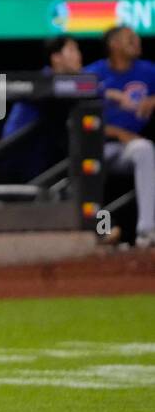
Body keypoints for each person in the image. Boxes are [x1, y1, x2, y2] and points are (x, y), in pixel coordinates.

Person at [85, 25, 155, 247]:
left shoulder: (147, 70)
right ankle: (99, 232)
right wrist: (117, 132)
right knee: (87, 173)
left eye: (136, 38)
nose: (136, 42)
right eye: (129, 39)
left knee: (144, 149)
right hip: (97, 146)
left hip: (127, 148)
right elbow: (76, 121)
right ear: (113, 45)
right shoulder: (93, 74)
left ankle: (146, 232)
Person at [0, 35, 81, 182]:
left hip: (43, 157)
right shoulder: (44, 80)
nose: (78, 56)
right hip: (19, 151)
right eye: (72, 50)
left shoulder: (69, 83)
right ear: (56, 57)